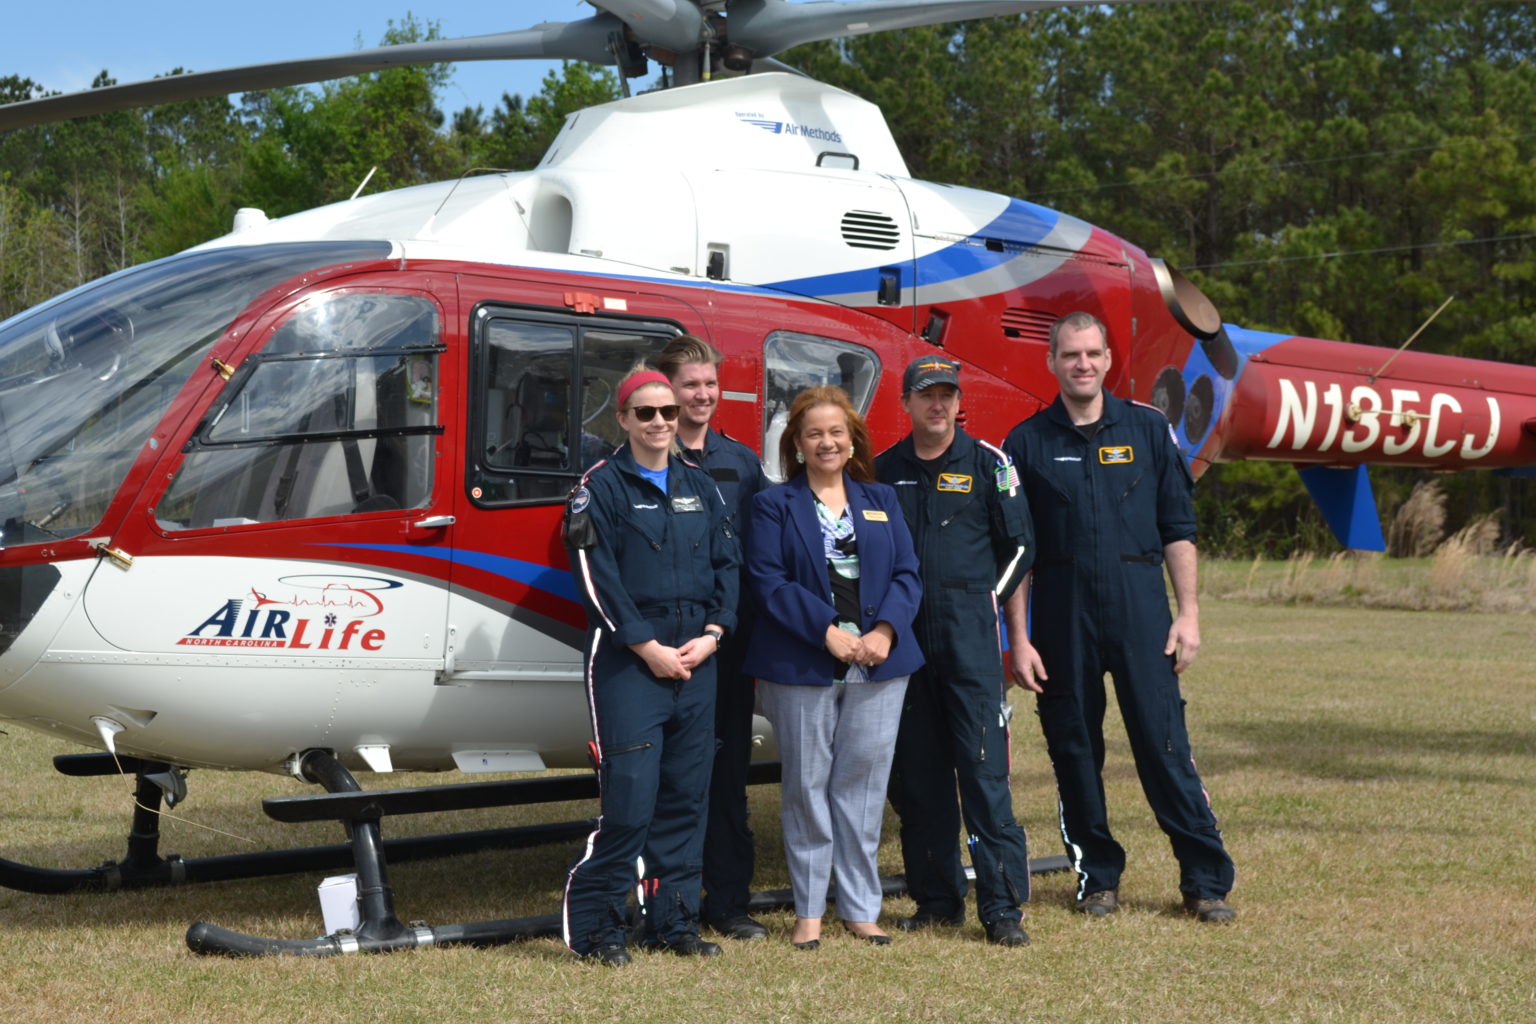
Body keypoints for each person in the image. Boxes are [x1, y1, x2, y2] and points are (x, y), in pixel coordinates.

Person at [1001, 311, 1237, 924]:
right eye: (1071, 355)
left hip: (1139, 612)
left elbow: (1178, 530)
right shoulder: (1025, 443)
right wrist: (1019, 638)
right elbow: (1018, 556)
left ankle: (1205, 880)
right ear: (1052, 362)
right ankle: (1097, 877)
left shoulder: (1150, 429)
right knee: (1074, 751)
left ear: (1108, 360)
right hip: (1060, 618)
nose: (1083, 364)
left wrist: (1189, 615)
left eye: (1093, 354)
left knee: (1164, 747)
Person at [560, 366, 741, 965]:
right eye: (646, 413)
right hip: (629, 660)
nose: (660, 422)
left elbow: (728, 565)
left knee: (687, 798)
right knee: (631, 798)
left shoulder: (701, 483)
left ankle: (675, 923)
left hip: (697, 656)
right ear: (623, 420)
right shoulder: (599, 487)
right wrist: (645, 647)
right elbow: (596, 578)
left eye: (668, 412)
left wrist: (715, 634)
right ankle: (599, 931)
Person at [743, 386, 923, 949]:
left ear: (852, 441)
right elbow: (767, 581)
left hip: (880, 663)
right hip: (803, 661)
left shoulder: (881, 498)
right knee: (806, 787)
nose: (827, 441)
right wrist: (827, 633)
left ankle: (861, 907)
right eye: (814, 433)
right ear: (796, 443)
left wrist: (885, 631)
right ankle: (809, 911)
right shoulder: (772, 504)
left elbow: (908, 574)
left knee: (863, 789)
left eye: (836, 432)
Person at [874, 355, 1035, 947]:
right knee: (918, 780)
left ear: (958, 401)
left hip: (969, 640)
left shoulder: (991, 464)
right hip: (906, 645)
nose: (937, 404)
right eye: (925, 395)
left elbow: (1021, 548)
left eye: (946, 394)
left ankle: (1003, 908)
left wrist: (983, 603)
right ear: (907, 403)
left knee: (985, 774)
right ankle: (937, 899)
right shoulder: (882, 469)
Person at [656, 334, 771, 942]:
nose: (702, 395)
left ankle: (728, 902)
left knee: (726, 776)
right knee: (670, 776)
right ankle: (663, 902)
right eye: (689, 385)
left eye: (709, 384)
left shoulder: (741, 462)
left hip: (726, 644)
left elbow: (756, 557)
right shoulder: (648, 457)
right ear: (665, 389)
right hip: (663, 645)